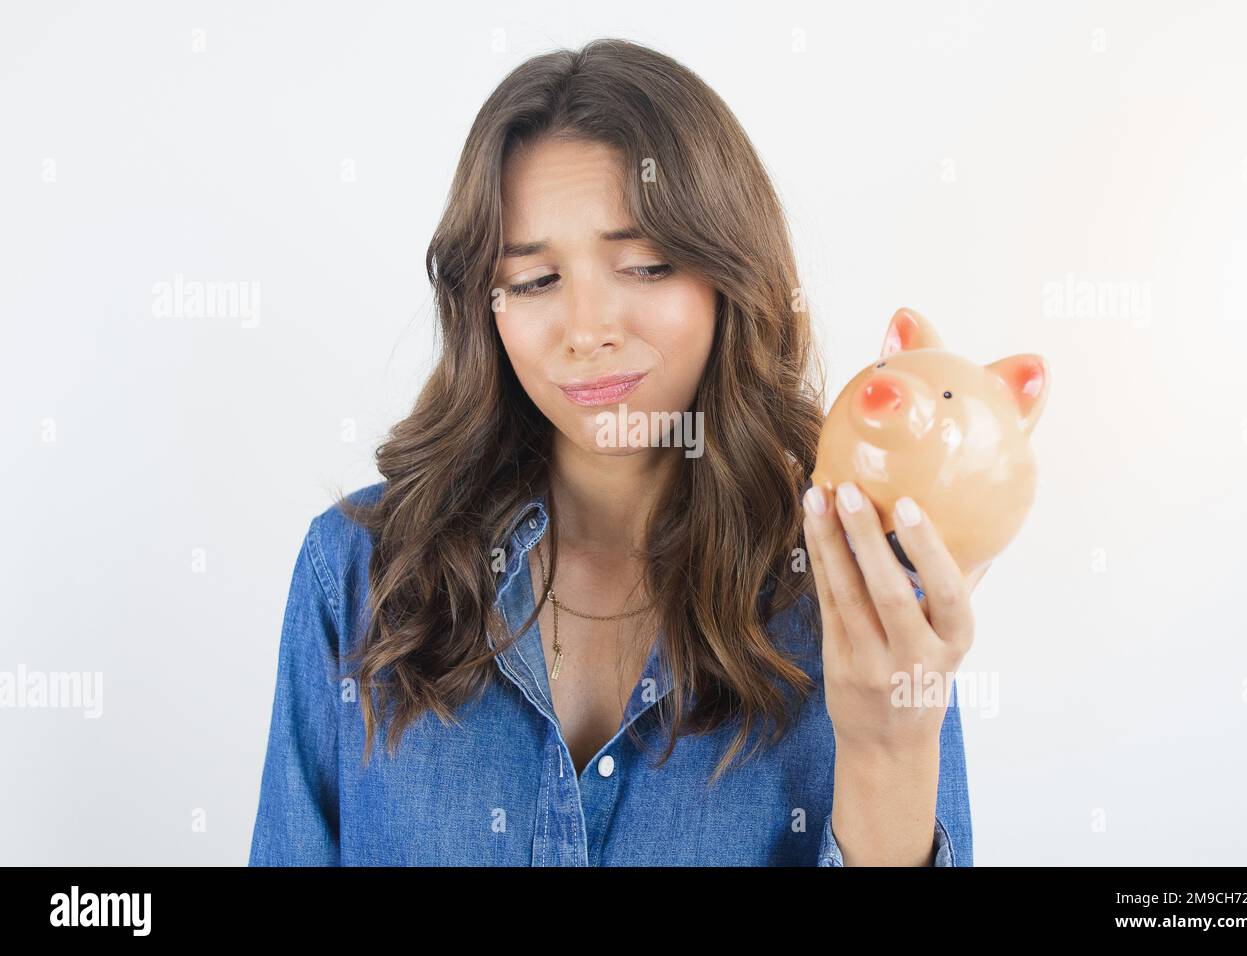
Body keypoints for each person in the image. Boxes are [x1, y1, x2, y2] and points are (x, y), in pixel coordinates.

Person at [249, 37, 979, 866]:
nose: (589, 329)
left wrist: (892, 746)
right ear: (484, 306)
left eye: (643, 265)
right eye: (533, 282)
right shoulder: (354, 576)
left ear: (731, 278)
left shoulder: (859, 603)